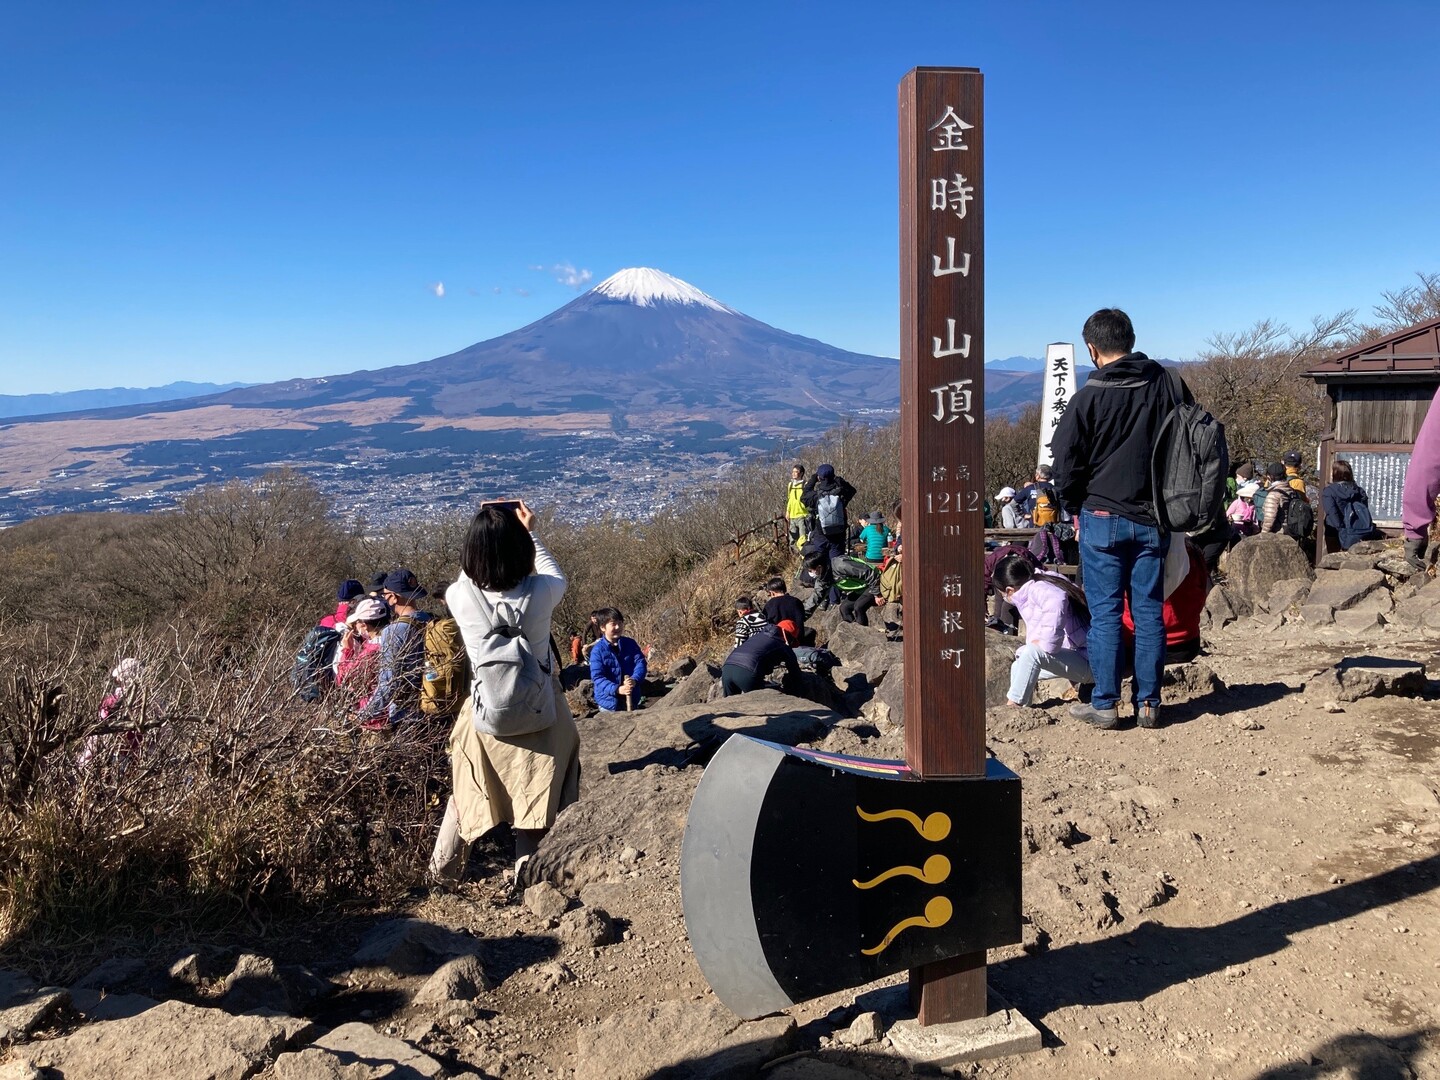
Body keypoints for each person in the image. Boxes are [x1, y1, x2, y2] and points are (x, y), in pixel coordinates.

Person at [431, 499, 580, 885]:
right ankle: (526, 883)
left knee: (466, 795)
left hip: (483, 716)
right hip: (540, 711)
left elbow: (467, 577)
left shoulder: (458, 597)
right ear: (522, 550)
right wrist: (529, 531)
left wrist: (484, 536)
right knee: (535, 803)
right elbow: (553, 571)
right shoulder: (544, 591)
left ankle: (441, 876)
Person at [1050, 308, 1173, 730]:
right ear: (1132, 339)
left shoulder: (1088, 397)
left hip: (1101, 515)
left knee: (1104, 614)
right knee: (1149, 611)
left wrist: (1072, 505)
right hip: (1154, 516)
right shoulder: (1167, 385)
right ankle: (1150, 704)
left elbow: (1064, 461)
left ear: (1092, 348)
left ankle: (1104, 704)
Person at [996, 555, 1092, 708]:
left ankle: (1013, 705)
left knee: (1031, 653)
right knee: (1018, 665)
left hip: (1090, 662)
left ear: (1009, 590)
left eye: (1002, 594)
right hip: (1080, 656)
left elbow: (1057, 600)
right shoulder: (1044, 580)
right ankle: (1023, 709)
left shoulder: (1037, 588)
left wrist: (1046, 643)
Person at [357, 569, 433, 732]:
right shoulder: (432, 620)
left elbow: (389, 681)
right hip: (436, 708)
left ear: (393, 596)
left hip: (407, 715)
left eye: (385, 594)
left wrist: (364, 714)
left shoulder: (393, 631)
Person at [1123, 539, 1208, 667]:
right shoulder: (1192, 552)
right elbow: (1202, 590)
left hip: (1137, 644)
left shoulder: (1133, 553)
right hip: (1187, 644)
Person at [335, 596, 390, 713]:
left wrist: (347, 651)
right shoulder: (392, 641)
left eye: (357, 622)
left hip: (373, 715)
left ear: (364, 624)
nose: (355, 626)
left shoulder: (371, 651)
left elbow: (344, 679)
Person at [589, 607, 648, 710]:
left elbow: (640, 663)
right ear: (603, 627)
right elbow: (598, 677)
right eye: (613, 624)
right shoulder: (597, 651)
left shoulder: (630, 643)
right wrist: (617, 689)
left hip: (632, 698)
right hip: (609, 703)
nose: (618, 627)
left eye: (620, 623)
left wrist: (634, 680)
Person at [720, 623, 801, 697]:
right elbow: (795, 672)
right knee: (759, 705)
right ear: (788, 636)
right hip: (747, 672)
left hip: (727, 668)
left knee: (730, 708)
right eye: (792, 641)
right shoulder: (782, 645)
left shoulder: (758, 636)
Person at [803, 463, 857, 562]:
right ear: (832, 476)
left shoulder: (815, 496)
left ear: (819, 477)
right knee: (836, 563)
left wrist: (813, 479)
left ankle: (823, 576)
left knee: (820, 562)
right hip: (838, 535)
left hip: (820, 534)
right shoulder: (841, 494)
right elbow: (852, 490)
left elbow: (804, 497)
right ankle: (836, 576)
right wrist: (838, 479)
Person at [984, 542, 1039, 635]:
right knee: (998, 610)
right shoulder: (989, 563)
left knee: (1007, 607)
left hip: (1021, 579)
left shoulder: (1029, 563)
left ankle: (1009, 635)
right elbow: (981, 584)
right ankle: (998, 632)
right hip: (999, 575)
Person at [1322, 459, 1376, 552]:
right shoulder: (1359, 491)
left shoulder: (1329, 491)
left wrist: (1341, 529)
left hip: (1334, 531)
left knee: (1333, 560)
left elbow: (1331, 512)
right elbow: (1364, 510)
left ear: (1335, 473)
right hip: (1357, 530)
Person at [833, 554, 882, 626]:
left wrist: (877, 595)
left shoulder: (841, 565)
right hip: (863, 588)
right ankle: (852, 632)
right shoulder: (823, 577)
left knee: (859, 607)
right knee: (844, 608)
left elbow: (870, 573)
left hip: (875, 581)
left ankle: (862, 634)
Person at [762, 578, 806, 643]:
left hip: (779, 642)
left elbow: (766, 624)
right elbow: (802, 618)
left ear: (772, 593)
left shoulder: (770, 604)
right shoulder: (797, 601)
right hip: (798, 640)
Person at [1260, 462, 1297, 534]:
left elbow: (1269, 519)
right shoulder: (1291, 490)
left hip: (1278, 534)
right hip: (1290, 531)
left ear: (1270, 477)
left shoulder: (1273, 495)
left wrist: (1263, 535)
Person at [785, 464, 809, 550]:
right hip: (792, 516)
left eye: (796, 472)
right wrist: (788, 511)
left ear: (801, 473)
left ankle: (804, 557)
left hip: (802, 515)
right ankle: (795, 557)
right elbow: (790, 499)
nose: (794, 474)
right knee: (792, 540)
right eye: (793, 472)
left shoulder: (805, 485)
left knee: (803, 539)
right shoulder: (790, 485)